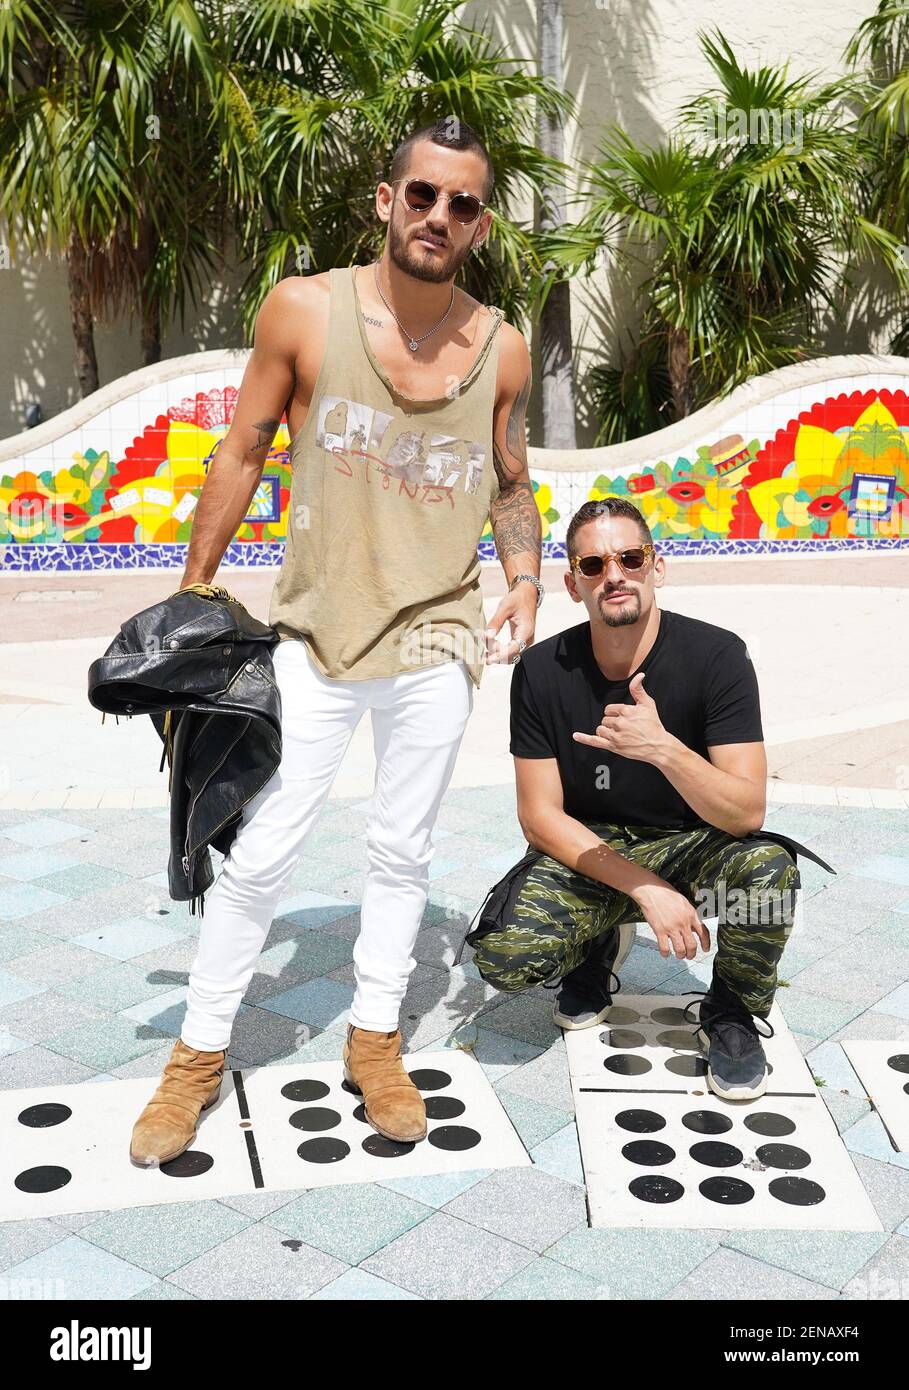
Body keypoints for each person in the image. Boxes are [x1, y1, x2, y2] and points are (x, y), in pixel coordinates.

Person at [130, 117, 543, 1168]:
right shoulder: (304, 310)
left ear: (479, 223)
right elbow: (243, 449)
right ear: (384, 198)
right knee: (261, 855)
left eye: (460, 204)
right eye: (422, 194)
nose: (437, 216)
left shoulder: (502, 346)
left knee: (402, 851)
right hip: (314, 632)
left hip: (439, 632)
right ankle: (195, 1060)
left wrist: (529, 577)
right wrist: (192, 590)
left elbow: (508, 478)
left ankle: (375, 1041)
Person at [471, 497, 801, 1102]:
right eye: (593, 565)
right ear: (572, 585)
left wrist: (663, 749)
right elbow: (540, 818)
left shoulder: (718, 656)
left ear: (657, 565)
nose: (614, 575)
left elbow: (746, 811)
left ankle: (730, 1008)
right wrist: (644, 888)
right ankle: (597, 946)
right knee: (505, 954)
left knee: (768, 873)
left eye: (630, 557)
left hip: (693, 843)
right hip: (598, 849)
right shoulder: (542, 670)